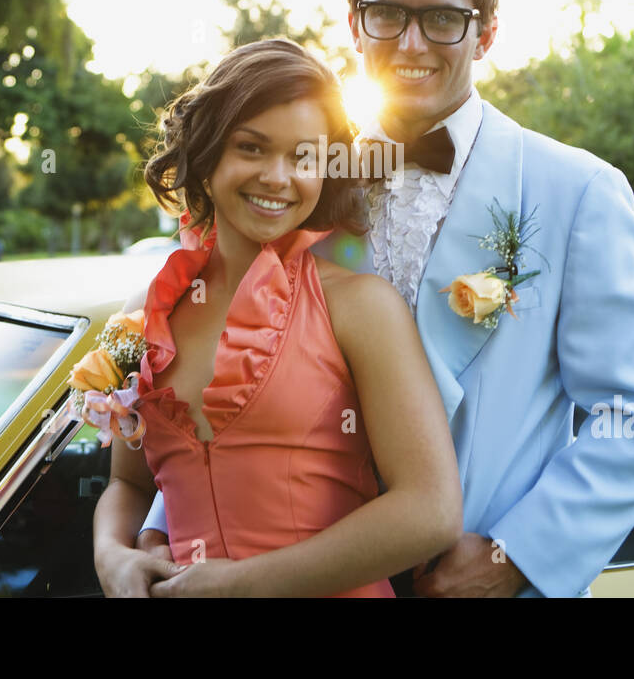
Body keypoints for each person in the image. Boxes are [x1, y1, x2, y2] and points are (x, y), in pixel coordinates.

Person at [138, 0, 634, 597]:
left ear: (485, 34)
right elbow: (227, 373)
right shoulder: (307, 179)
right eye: (388, 14)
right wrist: (164, 522)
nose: (411, 42)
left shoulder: (576, 193)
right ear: (355, 25)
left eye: (442, 19)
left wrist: (513, 558)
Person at [92, 39, 463, 597]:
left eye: (304, 156)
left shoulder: (360, 307)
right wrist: (112, 556)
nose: (277, 176)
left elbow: (430, 510)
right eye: (252, 147)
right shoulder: (144, 314)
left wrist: (244, 584)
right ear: (208, 150)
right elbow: (128, 481)